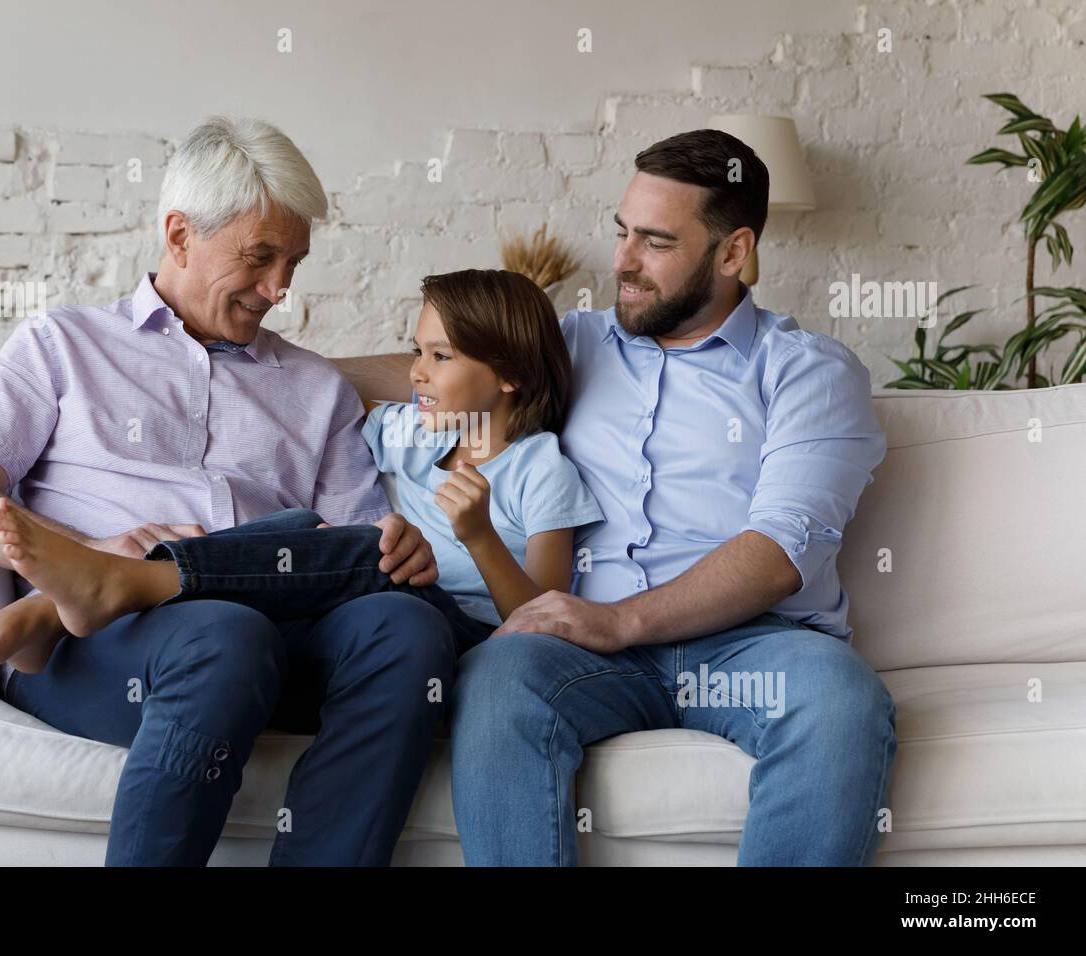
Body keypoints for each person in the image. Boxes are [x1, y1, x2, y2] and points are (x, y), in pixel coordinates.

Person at [332, 129, 897, 867]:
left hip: (750, 645)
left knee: (840, 701)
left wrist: (618, 620)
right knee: (501, 681)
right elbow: (444, 370)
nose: (622, 262)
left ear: (732, 253)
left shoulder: (808, 373)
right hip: (584, 657)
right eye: (622, 233)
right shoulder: (573, 344)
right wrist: (274, 372)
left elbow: (782, 547)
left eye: (656, 242)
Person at [0, 116, 452, 867]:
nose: (280, 289)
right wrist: (77, 553)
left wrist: (399, 547)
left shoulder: (316, 387)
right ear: (178, 235)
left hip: (281, 628)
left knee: (405, 624)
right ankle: (100, 584)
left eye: (293, 263)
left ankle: (140, 580)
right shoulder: (63, 344)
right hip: (104, 649)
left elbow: (356, 550)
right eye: (260, 258)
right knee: (225, 634)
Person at [0, 268, 604, 671]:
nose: (416, 374)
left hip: (459, 637)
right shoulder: (406, 430)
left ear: (511, 375)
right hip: (387, 601)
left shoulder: (542, 471)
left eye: (440, 357)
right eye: (416, 351)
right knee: (296, 525)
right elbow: (316, 388)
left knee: (355, 545)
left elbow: (543, 618)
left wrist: (480, 534)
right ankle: (76, 601)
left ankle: (112, 587)